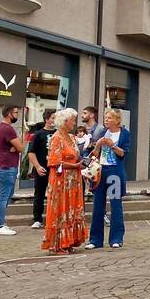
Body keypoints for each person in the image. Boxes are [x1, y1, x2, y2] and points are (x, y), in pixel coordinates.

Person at [42, 108, 87, 254]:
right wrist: (74, 165)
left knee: (71, 210)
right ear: (65, 122)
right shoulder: (57, 138)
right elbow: (54, 162)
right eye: (73, 120)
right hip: (61, 181)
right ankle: (57, 244)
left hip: (73, 180)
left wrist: (82, 163)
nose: (74, 123)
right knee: (61, 210)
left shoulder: (71, 138)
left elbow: (75, 155)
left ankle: (68, 241)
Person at [86, 107, 129, 250]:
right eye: (105, 117)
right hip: (100, 171)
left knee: (116, 204)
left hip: (115, 172)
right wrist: (97, 145)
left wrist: (113, 146)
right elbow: (94, 155)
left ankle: (116, 238)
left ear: (117, 121)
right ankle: (95, 240)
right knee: (98, 205)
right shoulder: (101, 132)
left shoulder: (124, 134)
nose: (106, 120)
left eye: (109, 117)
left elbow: (124, 154)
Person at [0, 104, 24, 236]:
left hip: (5, 166)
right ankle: (0, 225)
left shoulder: (1, 127)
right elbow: (21, 147)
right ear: (9, 113)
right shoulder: (8, 129)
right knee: (4, 196)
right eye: (16, 113)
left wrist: (15, 147)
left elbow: (16, 147)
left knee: (6, 196)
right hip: (7, 166)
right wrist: (17, 146)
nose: (17, 115)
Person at [27, 108, 55, 230]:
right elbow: (31, 152)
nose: (55, 120)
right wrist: (37, 167)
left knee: (54, 194)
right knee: (39, 193)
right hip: (42, 167)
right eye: (53, 118)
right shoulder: (39, 134)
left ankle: (53, 217)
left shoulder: (59, 133)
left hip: (55, 168)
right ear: (47, 119)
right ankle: (37, 218)